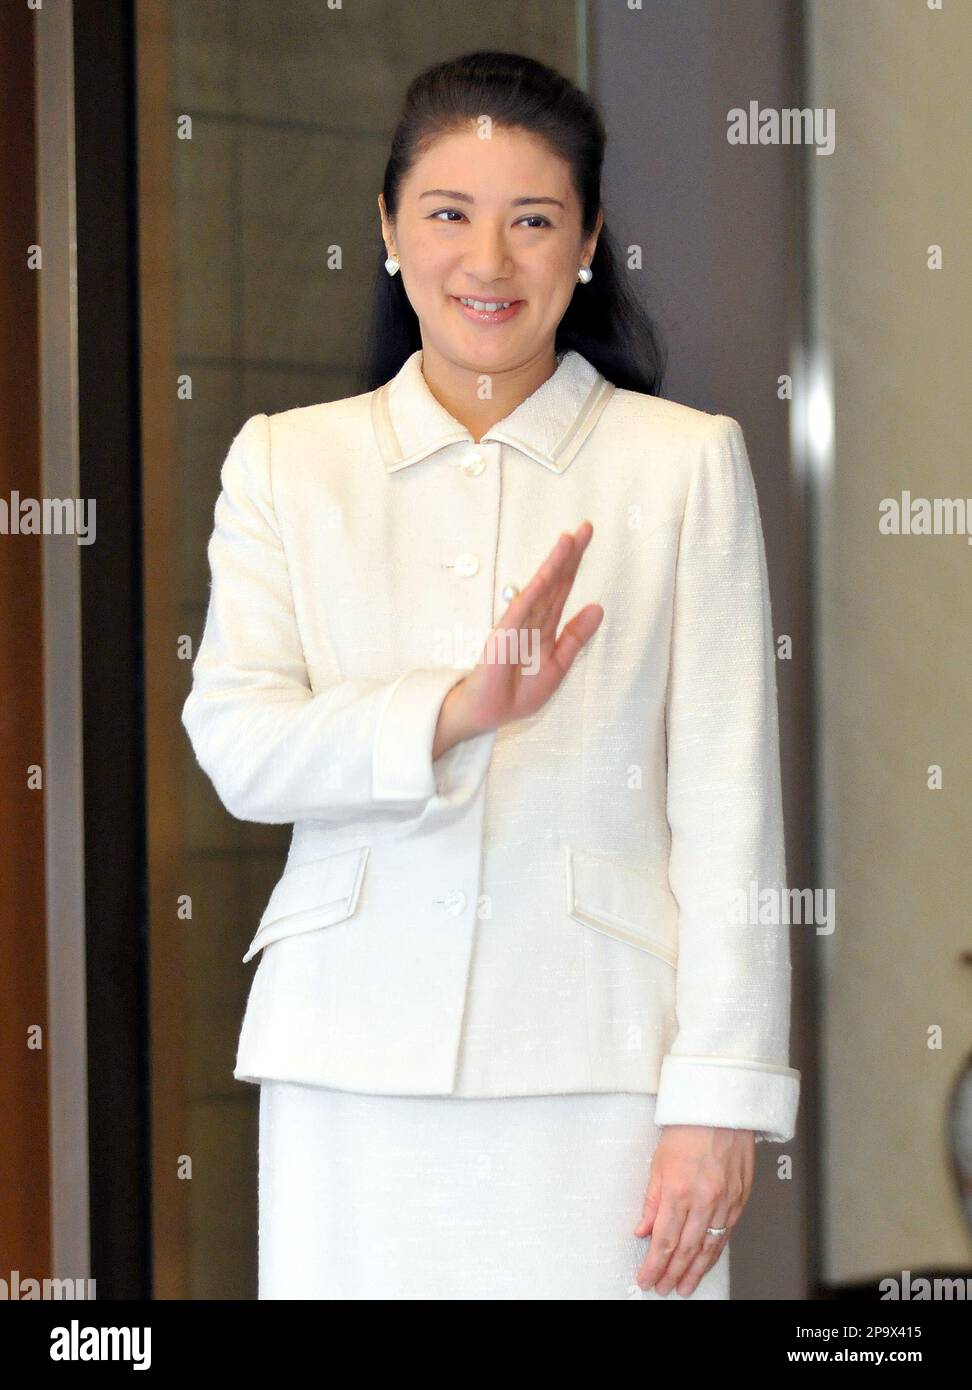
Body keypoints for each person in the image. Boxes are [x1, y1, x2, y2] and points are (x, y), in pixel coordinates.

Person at [182, 50, 800, 1301]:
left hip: (607, 1076)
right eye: (448, 215)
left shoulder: (678, 465)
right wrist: (455, 711)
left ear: (588, 243)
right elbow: (241, 745)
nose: (488, 261)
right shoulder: (288, 465)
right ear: (389, 231)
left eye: (534, 222)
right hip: (349, 1068)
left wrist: (718, 1102)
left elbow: (731, 814)